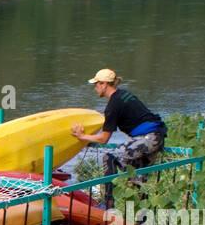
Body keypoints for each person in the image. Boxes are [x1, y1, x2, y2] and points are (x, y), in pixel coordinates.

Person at [70, 69, 166, 210]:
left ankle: (108, 202)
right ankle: (142, 221)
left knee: (109, 157)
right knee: (137, 176)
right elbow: (113, 118)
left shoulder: (113, 105)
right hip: (156, 136)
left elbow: (104, 139)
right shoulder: (123, 95)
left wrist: (82, 136)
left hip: (148, 138)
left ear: (104, 84)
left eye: (96, 84)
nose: (95, 87)